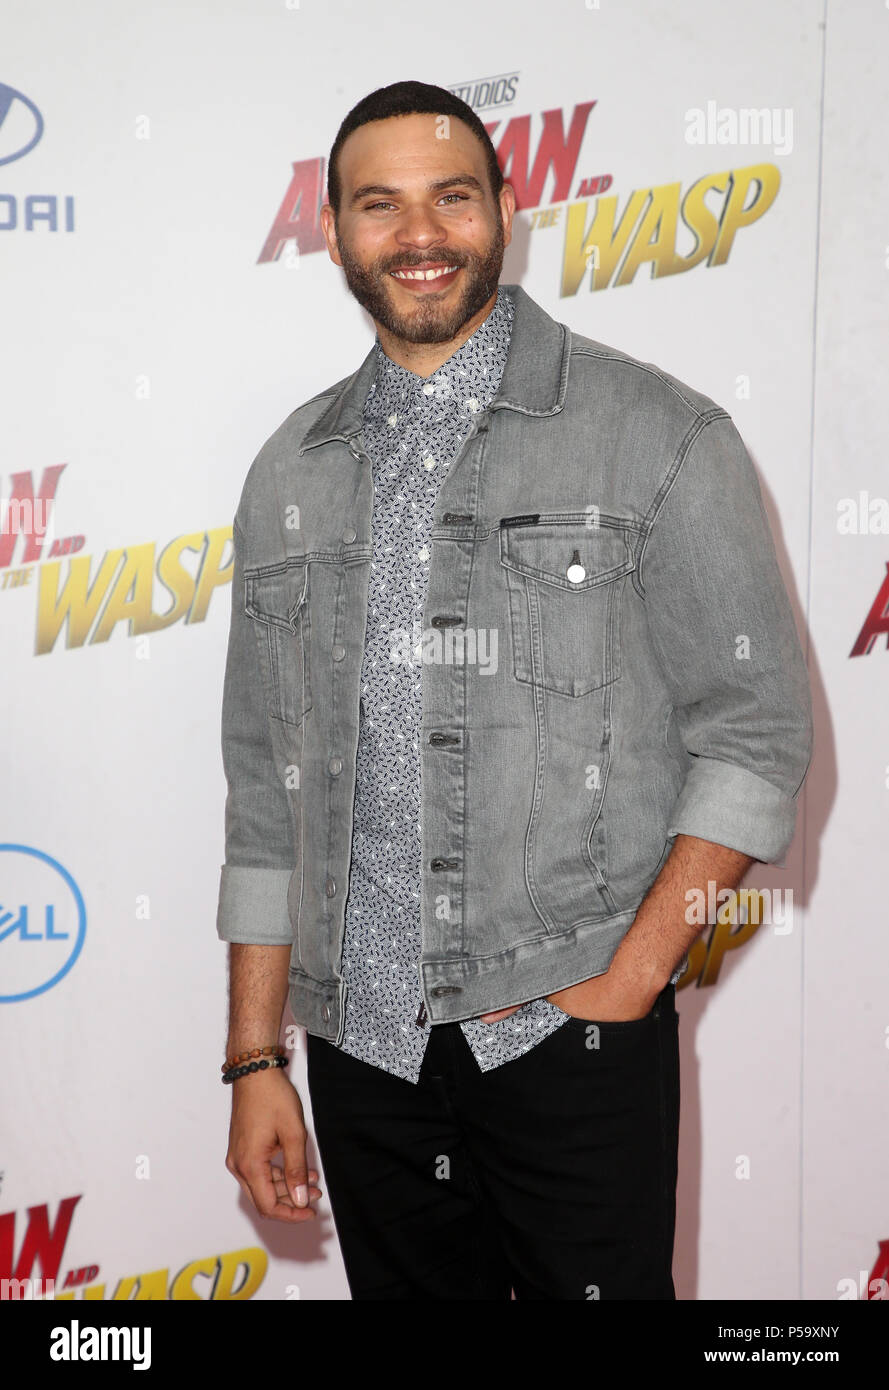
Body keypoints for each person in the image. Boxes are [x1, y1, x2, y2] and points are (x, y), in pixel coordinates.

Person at [217, 80, 813, 1300]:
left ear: (504, 212)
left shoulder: (657, 432)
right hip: (362, 1051)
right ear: (332, 231)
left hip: (564, 1035)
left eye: (452, 197)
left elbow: (756, 732)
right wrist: (252, 1057)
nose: (419, 234)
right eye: (380, 205)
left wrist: (627, 982)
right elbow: (264, 793)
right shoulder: (290, 467)